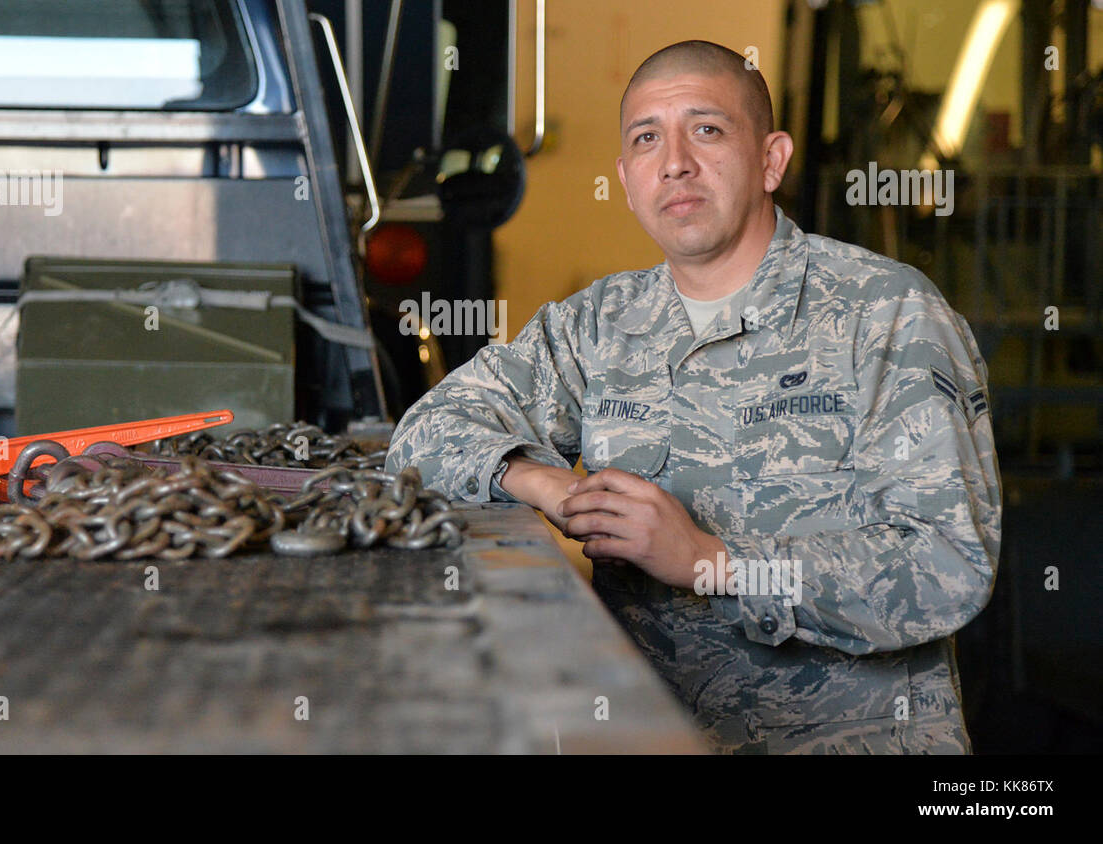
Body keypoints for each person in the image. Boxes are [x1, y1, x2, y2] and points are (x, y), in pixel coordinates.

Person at [385, 40, 1001, 754]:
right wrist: (546, 485)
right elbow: (426, 431)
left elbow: (947, 564)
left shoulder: (886, 312)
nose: (674, 160)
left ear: (772, 159)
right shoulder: (599, 324)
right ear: (626, 177)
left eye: (706, 129)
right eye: (647, 139)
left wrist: (715, 560)